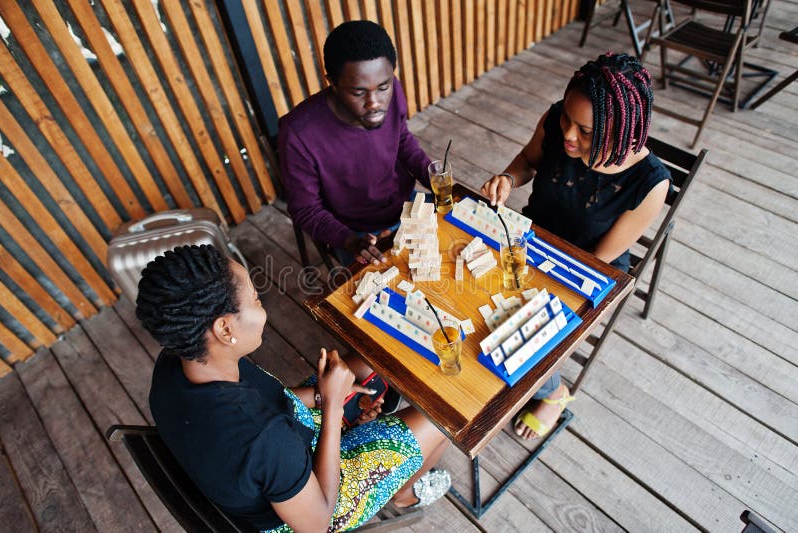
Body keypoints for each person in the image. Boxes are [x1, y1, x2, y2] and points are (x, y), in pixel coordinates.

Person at [137, 245, 450, 532]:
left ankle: (376, 446)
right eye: (256, 300)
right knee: (442, 418)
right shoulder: (264, 439)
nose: (263, 308)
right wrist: (333, 409)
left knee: (374, 359)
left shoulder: (179, 361)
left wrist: (322, 395)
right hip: (311, 503)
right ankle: (405, 493)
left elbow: (270, 401)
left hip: (281, 453)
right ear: (225, 328)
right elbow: (317, 521)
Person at [480, 53, 671, 440]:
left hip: (586, 272)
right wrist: (508, 178)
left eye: (585, 131)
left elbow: (598, 263)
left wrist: (536, 290)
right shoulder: (556, 121)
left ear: (622, 132)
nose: (567, 134)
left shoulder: (650, 184)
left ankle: (554, 393)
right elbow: (528, 161)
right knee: (473, 292)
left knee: (528, 331)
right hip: (530, 240)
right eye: (567, 118)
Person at [279, 20, 432, 266]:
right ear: (332, 83)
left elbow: (401, 139)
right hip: (355, 232)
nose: (374, 102)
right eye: (359, 93)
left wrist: (433, 175)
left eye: (383, 87)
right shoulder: (298, 133)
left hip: (406, 205)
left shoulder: (391, 89)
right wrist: (350, 241)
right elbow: (306, 209)